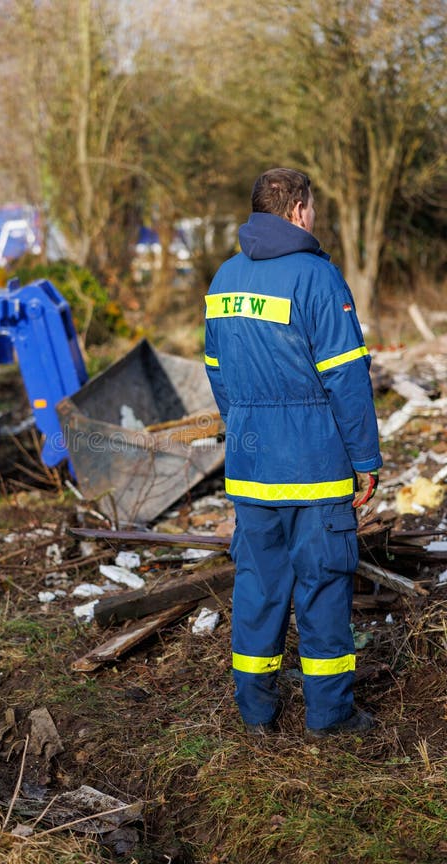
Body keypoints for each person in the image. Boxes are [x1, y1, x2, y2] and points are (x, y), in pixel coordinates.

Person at [204, 167, 382, 737]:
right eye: (313, 207)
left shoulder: (224, 279)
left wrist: (248, 430)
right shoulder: (318, 279)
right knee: (325, 585)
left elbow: (217, 373)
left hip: (252, 470)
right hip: (316, 469)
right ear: (298, 210)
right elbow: (346, 379)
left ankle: (256, 714)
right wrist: (365, 461)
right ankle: (329, 717)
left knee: (257, 585)